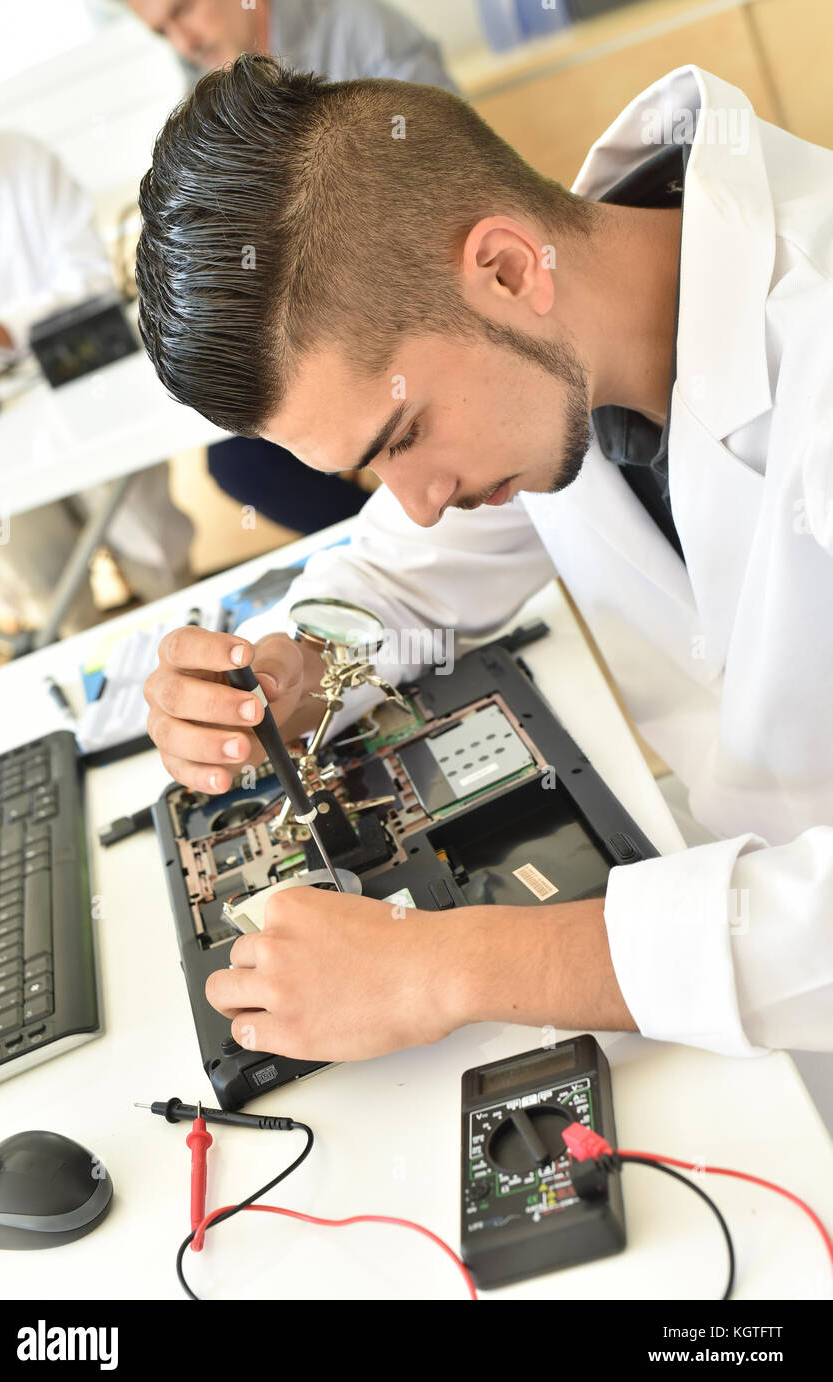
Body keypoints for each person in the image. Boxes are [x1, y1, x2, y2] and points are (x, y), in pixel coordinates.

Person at [137, 56, 833, 1063]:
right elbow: (395, 580)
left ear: (506, 267)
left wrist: (444, 965)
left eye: (401, 438)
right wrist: (291, 670)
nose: (415, 506)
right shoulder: (570, 330)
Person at [126, 0, 457, 532]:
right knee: (239, 459)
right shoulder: (204, 79)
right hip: (305, 320)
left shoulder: (356, 24)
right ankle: (390, 541)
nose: (183, 42)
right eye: (162, 31)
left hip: (402, 294)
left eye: (183, 11)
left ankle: (433, 534)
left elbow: (446, 164)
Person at [0, 127, 194, 636]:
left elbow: (93, 292)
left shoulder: (20, 161)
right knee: (38, 578)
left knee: (149, 541)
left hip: (85, 391)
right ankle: (89, 672)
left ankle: (193, 626)